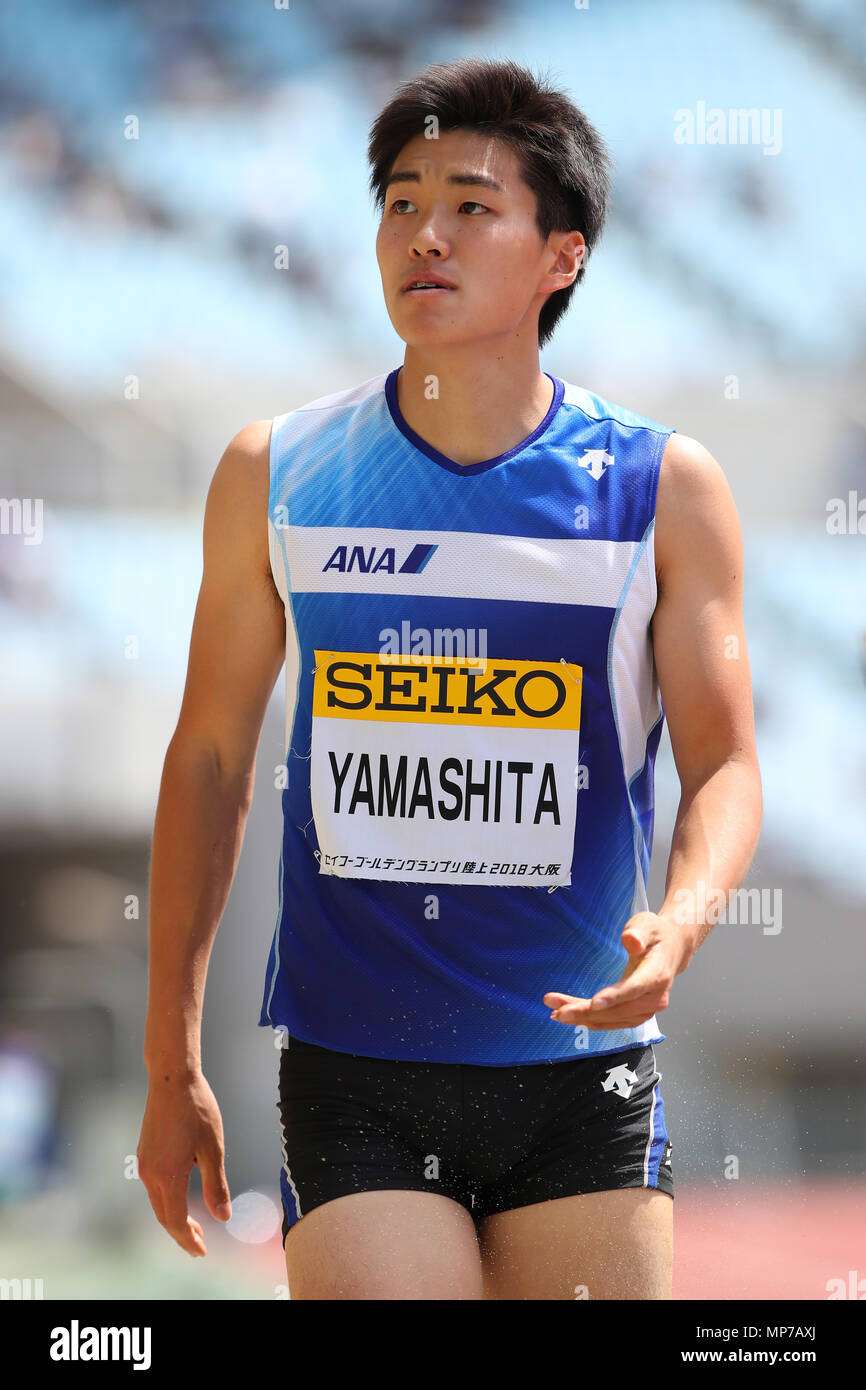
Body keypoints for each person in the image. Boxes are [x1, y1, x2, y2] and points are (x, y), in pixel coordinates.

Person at [137, 56, 762, 1300]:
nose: (423, 233)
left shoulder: (657, 488)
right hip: (354, 1073)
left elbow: (727, 765)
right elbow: (209, 760)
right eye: (399, 201)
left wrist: (679, 923)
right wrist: (170, 1061)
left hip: (581, 1076)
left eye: (470, 205)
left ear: (559, 257)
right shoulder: (278, 473)